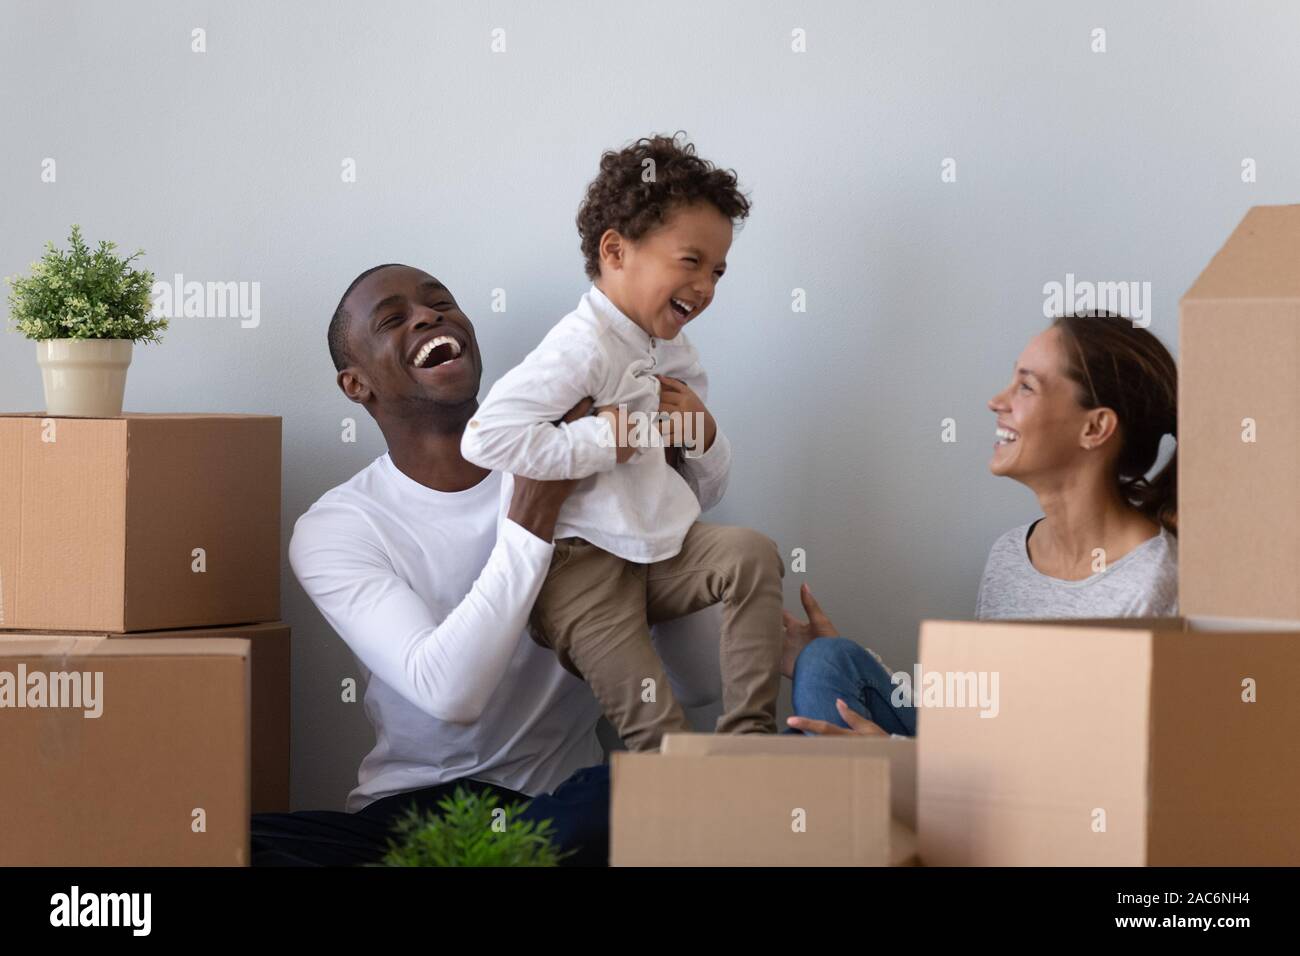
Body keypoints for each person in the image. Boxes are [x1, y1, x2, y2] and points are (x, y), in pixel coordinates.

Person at [251, 264, 622, 866]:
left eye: (441, 303)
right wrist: (531, 519)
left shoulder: (574, 466)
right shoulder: (337, 527)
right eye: (393, 320)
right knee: (226, 845)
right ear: (356, 384)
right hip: (411, 816)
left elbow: (694, 683)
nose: (429, 317)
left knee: (646, 793)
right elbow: (449, 692)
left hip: (547, 808)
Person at [460, 133, 785, 752]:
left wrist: (704, 433)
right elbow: (486, 437)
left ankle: (748, 743)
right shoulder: (581, 346)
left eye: (717, 271)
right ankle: (680, 826)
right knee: (658, 734)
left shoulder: (674, 354)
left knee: (751, 554)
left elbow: (703, 493)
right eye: (691, 262)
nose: (708, 286)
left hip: (655, 553)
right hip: (577, 571)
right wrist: (601, 440)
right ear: (616, 251)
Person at [784, 312, 1180, 736]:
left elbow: (1103, 765)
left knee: (814, 750)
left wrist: (901, 756)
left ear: (1095, 426)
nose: (997, 401)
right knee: (828, 662)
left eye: (1026, 386)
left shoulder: (1153, 582)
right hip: (987, 760)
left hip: (1060, 792)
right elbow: (983, 725)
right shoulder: (1010, 555)